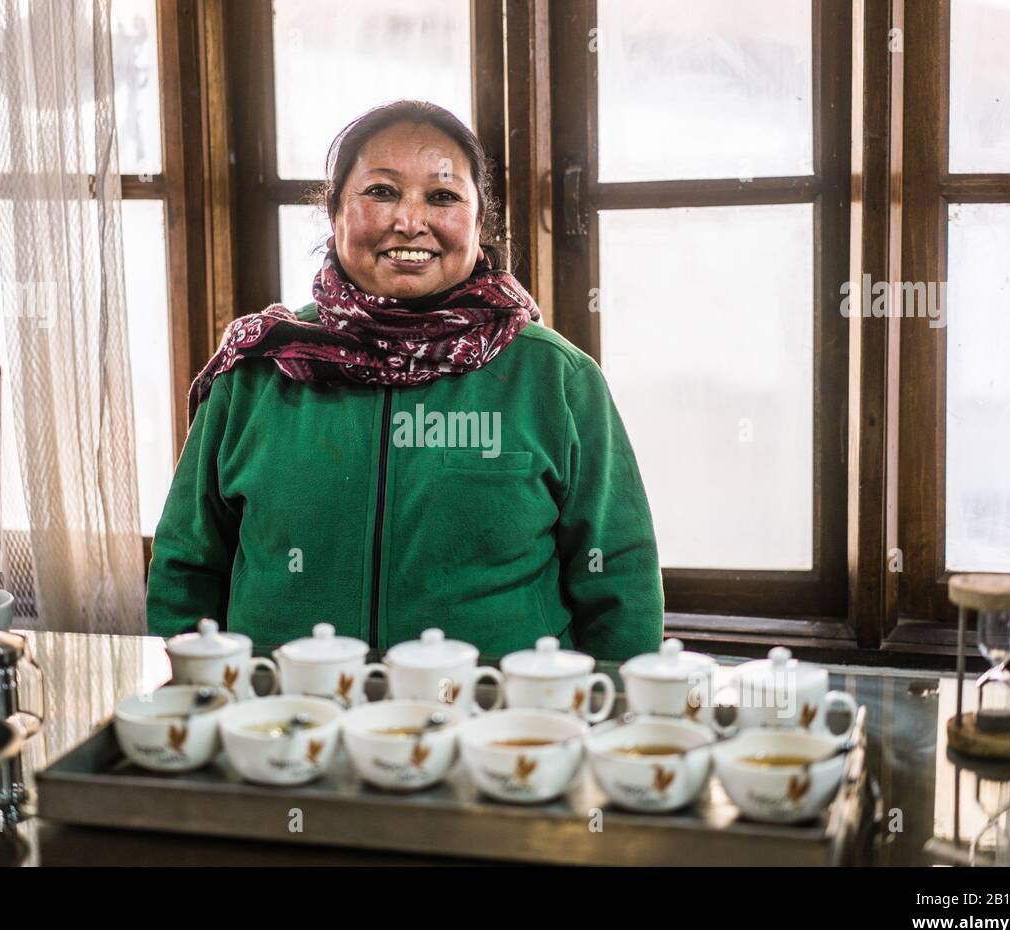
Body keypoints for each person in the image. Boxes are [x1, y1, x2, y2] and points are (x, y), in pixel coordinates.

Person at [146, 99, 662, 660]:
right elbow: (187, 567)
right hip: (284, 726)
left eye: (442, 196)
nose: (409, 221)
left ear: (478, 222)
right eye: (381, 191)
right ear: (334, 213)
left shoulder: (556, 378)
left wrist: (607, 720)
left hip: (499, 728)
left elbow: (619, 579)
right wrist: (200, 703)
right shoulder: (260, 368)